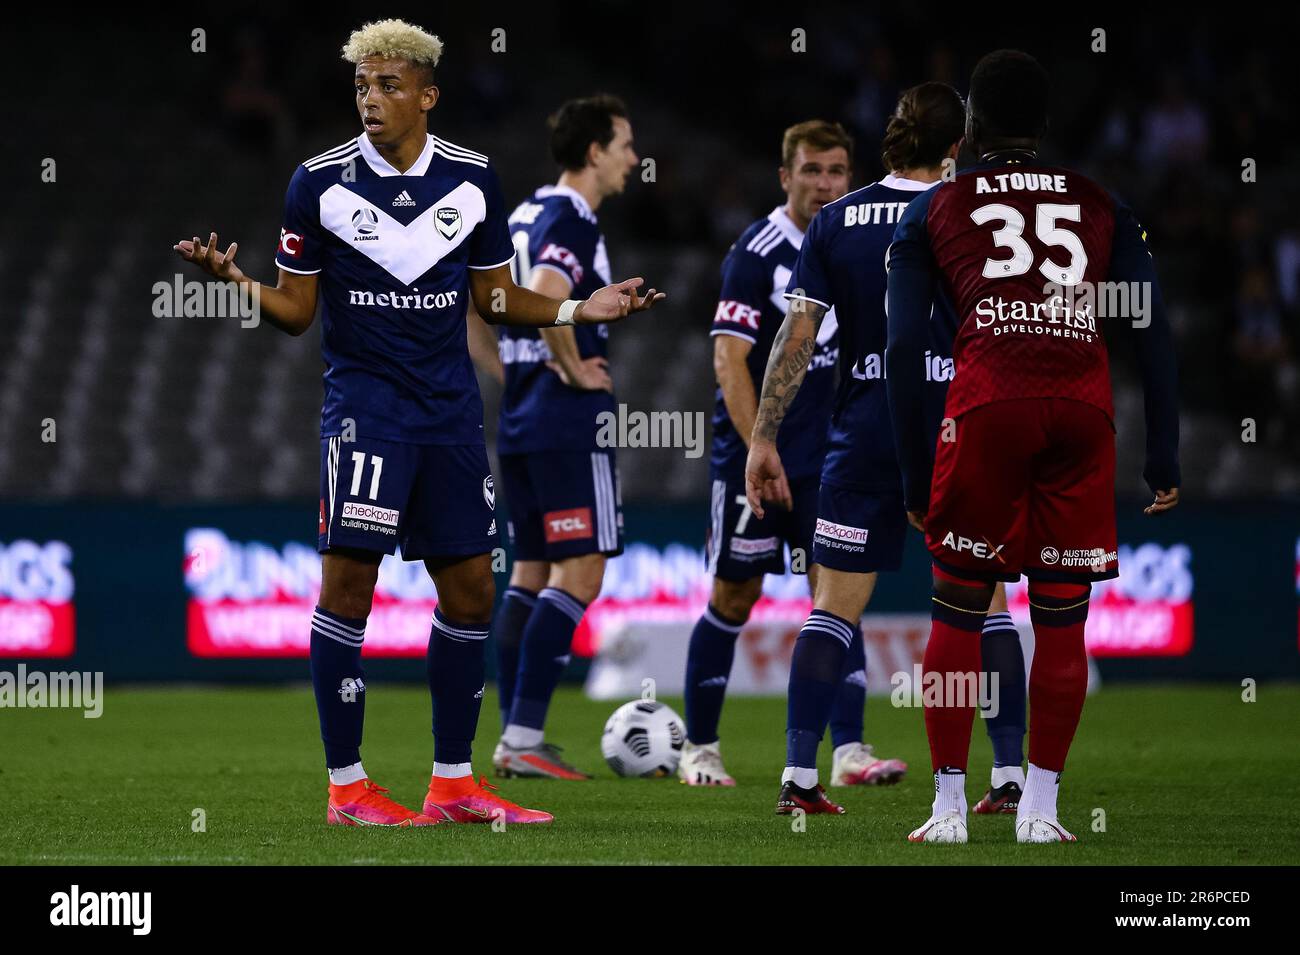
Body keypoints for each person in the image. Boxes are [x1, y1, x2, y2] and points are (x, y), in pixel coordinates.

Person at [174, 19, 662, 827]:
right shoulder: (317, 182)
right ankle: (347, 788)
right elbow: (297, 312)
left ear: (427, 95)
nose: (371, 99)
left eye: (388, 85)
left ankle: (452, 783)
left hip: (450, 417)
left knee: (472, 591)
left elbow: (496, 297)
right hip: (366, 413)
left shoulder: (473, 180)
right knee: (349, 589)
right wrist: (236, 281)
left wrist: (581, 304)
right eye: (362, 85)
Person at [886, 51, 1180, 843]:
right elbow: (1152, 331)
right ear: (1043, 126)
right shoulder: (1103, 202)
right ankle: (1041, 810)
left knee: (958, 610)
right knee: (1061, 621)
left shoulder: (934, 208)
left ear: (971, 128)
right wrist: (1164, 454)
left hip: (988, 405)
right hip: (1082, 409)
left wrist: (917, 475)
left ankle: (948, 808)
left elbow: (905, 348)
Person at [491, 95, 639, 779]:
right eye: (625, 145)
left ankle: (513, 735)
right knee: (581, 573)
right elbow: (550, 288)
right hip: (563, 421)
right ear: (594, 154)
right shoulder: (573, 217)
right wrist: (574, 367)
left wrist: (510, 369)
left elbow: (476, 301)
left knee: (528, 574)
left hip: (520, 417)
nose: (634, 159)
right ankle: (522, 739)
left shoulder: (521, 212)